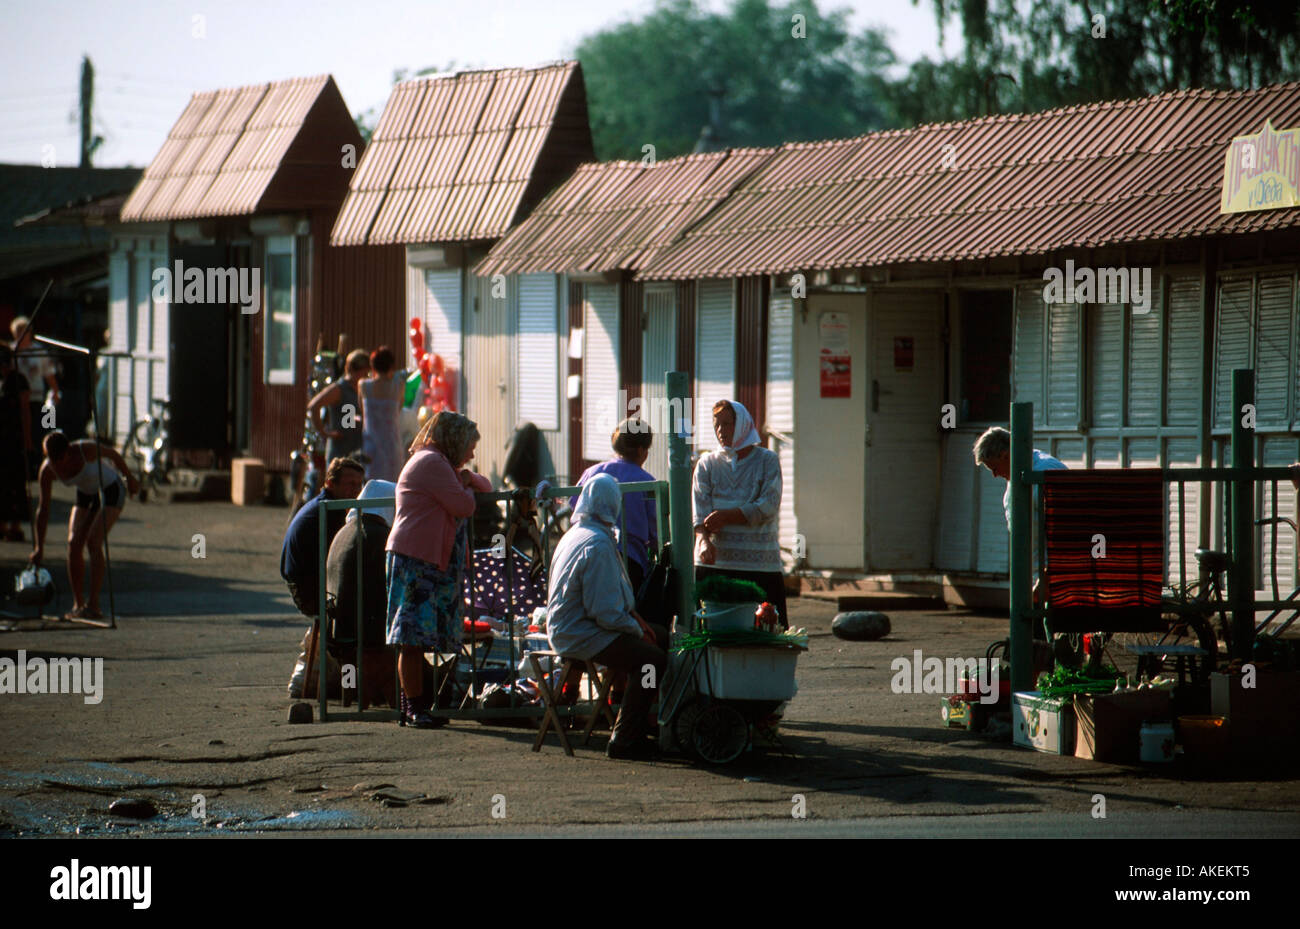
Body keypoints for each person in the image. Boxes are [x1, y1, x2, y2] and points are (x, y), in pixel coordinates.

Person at [547, 474, 667, 760]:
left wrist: (635, 621)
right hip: (581, 632)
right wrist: (636, 629)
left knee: (660, 636)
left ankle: (641, 721)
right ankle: (627, 736)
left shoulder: (576, 534)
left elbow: (606, 605)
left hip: (576, 626)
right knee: (653, 660)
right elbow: (604, 612)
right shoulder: (598, 543)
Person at [386, 410, 490, 728]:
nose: (472, 453)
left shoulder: (441, 463)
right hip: (415, 559)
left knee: (417, 636)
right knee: (412, 638)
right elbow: (465, 506)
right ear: (454, 441)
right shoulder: (431, 463)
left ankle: (415, 706)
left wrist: (469, 478)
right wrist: (467, 486)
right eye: (470, 446)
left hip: (424, 558)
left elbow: (483, 487)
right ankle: (413, 707)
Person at [692, 399, 787, 627]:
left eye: (728, 424)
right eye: (717, 425)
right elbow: (699, 511)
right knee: (714, 633)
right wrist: (703, 539)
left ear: (743, 425)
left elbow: (768, 506)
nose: (721, 431)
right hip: (715, 565)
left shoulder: (767, 461)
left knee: (764, 632)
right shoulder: (707, 464)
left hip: (759, 566)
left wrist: (726, 516)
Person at [29, 430, 140, 620]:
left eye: (59, 458)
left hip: (110, 489)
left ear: (68, 451)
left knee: (93, 542)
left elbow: (112, 454)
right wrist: (39, 547)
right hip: (87, 494)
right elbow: (43, 509)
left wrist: (129, 477)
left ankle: (94, 604)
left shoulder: (84, 449)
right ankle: (78, 604)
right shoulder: (47, 470)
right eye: (51, 459)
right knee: (73, 545)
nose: (56, 465)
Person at [571, 416, 658, 595]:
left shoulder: (592, 473)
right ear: (642, 450)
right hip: (629, 559)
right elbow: (655, 528)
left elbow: (575, 505)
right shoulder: (647, 482)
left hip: (587, 551)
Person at [280, 456, 366, 619]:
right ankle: (343, 642)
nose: (357, 490)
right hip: (308, 591)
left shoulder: (324, 503)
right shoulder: (330, 510)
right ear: (330, 484)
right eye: (351, 484)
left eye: (360, 484)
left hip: (302, 582)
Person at [325, 479, 395, 647]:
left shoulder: (347, 530)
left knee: (349, 669)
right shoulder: (378, 535)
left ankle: (348, 675)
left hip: (339, 625)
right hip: (365, 632)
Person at [10, 316, 59, 474]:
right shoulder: (11, 351)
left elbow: (49, 373)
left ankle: (41, 464)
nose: (21, 335)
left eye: (24, 331)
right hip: (16, 399)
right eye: (18, 332)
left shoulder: (39, 350)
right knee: (20, 433)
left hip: (37, 398)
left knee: (43, 427)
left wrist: (55, 391)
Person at [306, 349, 370, 466]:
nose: (365, 376)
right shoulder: (340, 389)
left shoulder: (364, 388)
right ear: (351, 369)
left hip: (359, 449)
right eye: (363, 372)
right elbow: (314, 406)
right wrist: (324, 433)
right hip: (340, 451)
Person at [1, 345, 33, 541]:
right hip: (2, 437)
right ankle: (2, 524)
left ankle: (15, 525)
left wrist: (29, 440)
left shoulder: (19, 381)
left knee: (15, 481)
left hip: (14, 437)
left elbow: (26, 411)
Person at [360, 345, 404, 482]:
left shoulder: (363, 385)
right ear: (391, 366)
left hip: (371, 443)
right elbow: (399, 409)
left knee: (371, 485)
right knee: (392, 485)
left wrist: (348, 424)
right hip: (392, 444)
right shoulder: (399, 385)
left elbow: (360, 410)